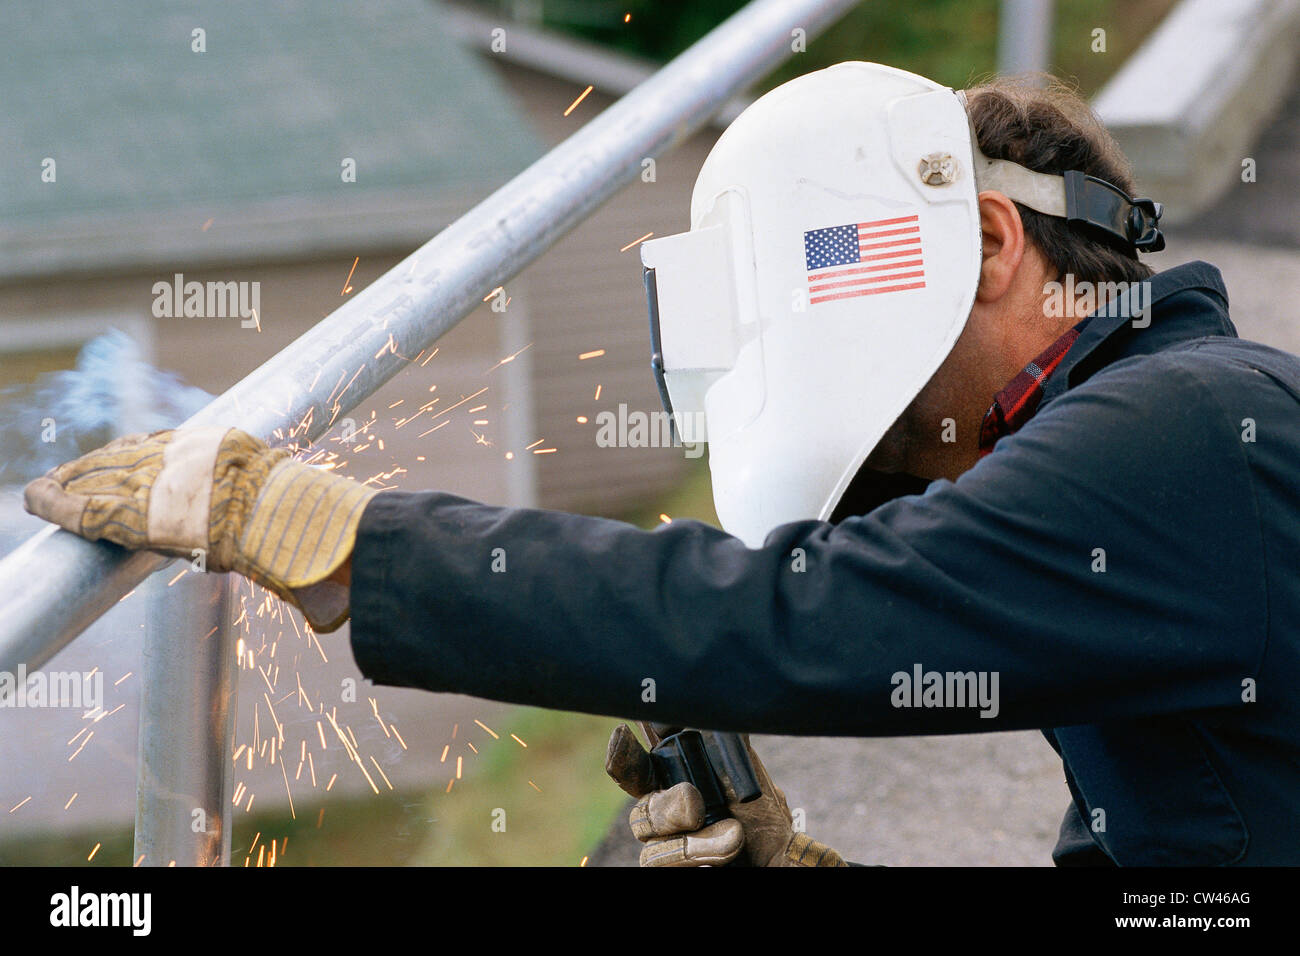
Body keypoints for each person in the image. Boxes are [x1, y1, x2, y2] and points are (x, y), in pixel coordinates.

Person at [24, 64, 1300, 867]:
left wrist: (356, 539)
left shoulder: (1184, 435)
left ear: (986, 239)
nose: (901, 473)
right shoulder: (1170, 438)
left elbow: (804, 612)